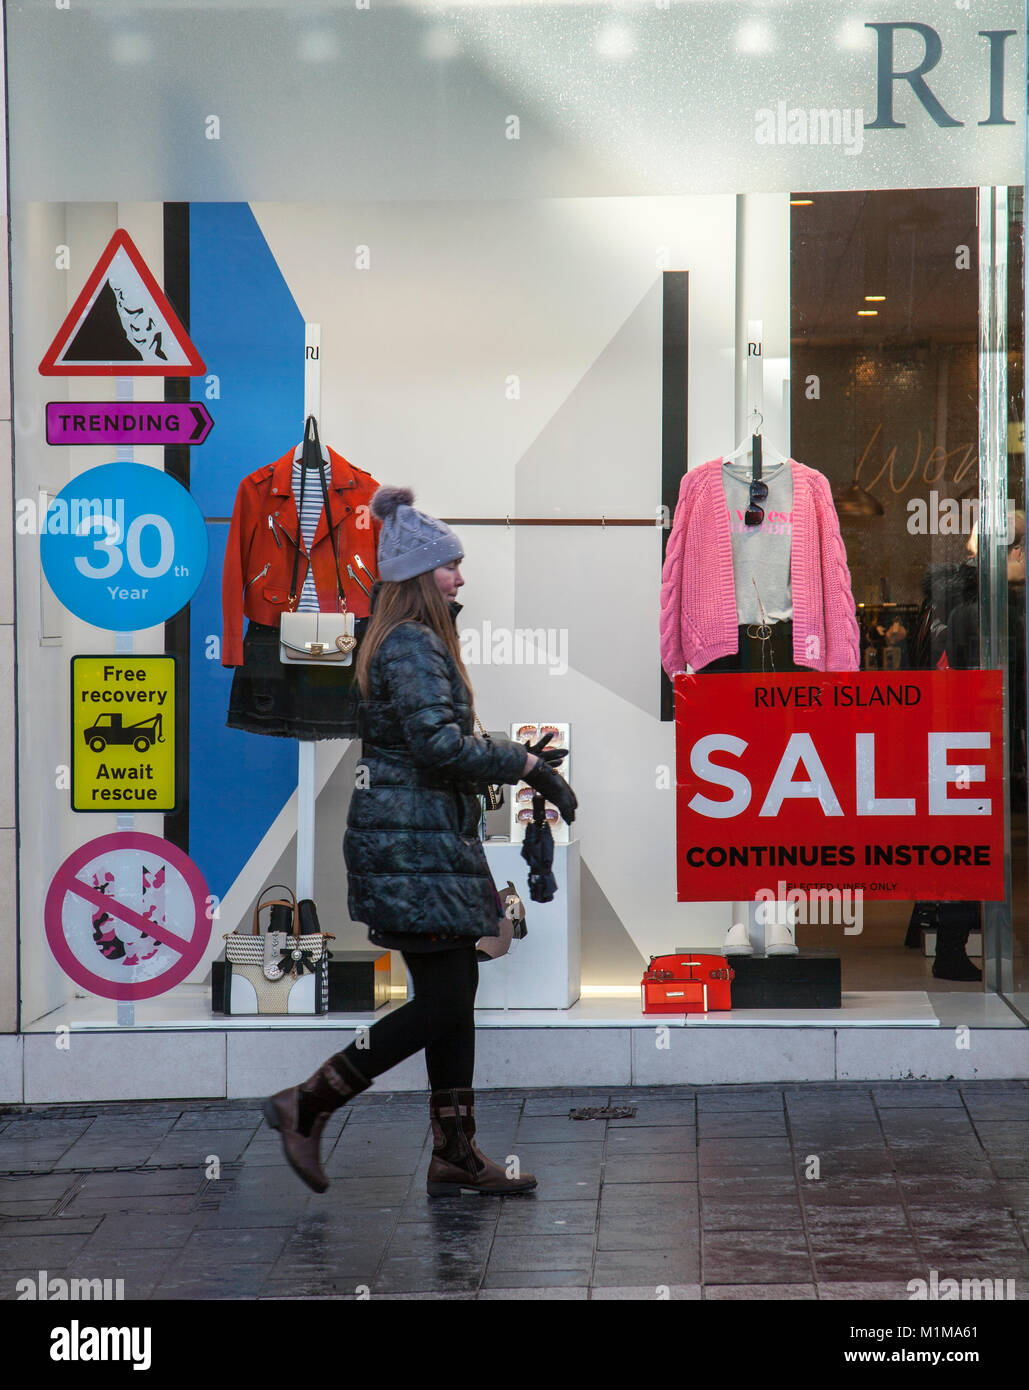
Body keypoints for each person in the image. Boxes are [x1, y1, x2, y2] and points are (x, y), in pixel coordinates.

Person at [264, 485, 578, 1196]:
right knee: (441, 1002)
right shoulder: (411, 643)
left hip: (419, 845)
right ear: (417, 577)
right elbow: (439, 746)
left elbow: (432, 746)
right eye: (450, 566)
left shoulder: (412, 641)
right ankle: (307, 1103)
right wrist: (524, 761)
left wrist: (510, 764)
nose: (460, 577)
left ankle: (454, 1153)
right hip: (411, 852)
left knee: (451, 994)